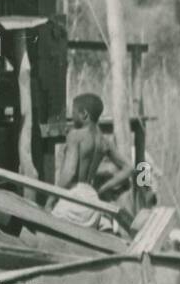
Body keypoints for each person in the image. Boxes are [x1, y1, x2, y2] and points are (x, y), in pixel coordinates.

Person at [50, 92, 132, 227]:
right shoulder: (104, 141)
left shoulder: (75, 135)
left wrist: (51, 198)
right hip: (93, 204)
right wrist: (103, 189)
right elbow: (129, 167)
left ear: (84, 114)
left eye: (74, 112)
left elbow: (69, 173)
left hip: (73, 199)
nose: (72, 116)